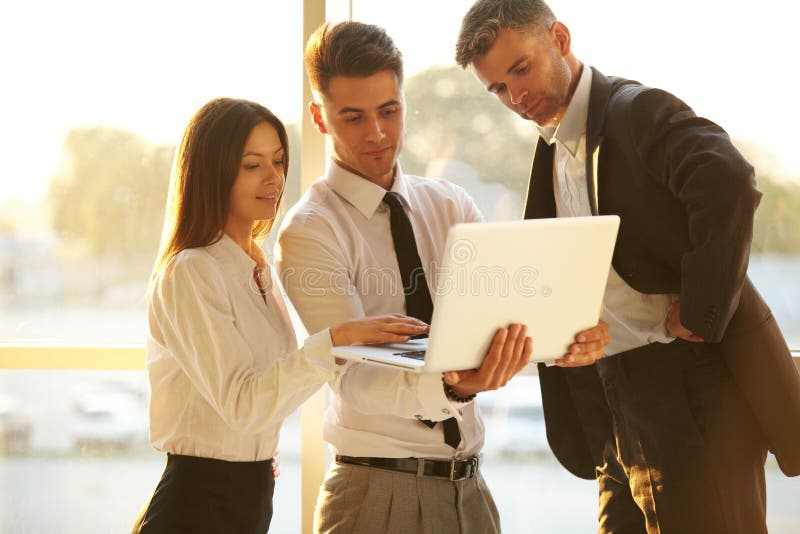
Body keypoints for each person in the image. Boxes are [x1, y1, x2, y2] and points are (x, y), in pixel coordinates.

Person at [455, 1, 800, 532]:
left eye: (520, 69)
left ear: (561, 39)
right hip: (616, 401)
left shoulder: (634, 109)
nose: (515, 96)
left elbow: (727, 177)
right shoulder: (553, 151)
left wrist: (701, 305)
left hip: (690, 391)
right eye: (498, 88)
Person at [275, 21, 610, 533]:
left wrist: (566, 337)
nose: (378, 133)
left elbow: (506, 321)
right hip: (374, 498)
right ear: (320, 118)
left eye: (389, 111)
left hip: (470, 493)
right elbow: (355, 379)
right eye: (353, 118)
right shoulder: (309, 231)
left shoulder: (450, 204)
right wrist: (454, 387)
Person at [132, 97, 429, 533]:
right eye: (252, 165)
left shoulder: (254, 266)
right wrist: (338, 340)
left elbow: (268, 393)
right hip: (197, 505)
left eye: (278, 161)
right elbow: (244, 406)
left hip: (248, 497)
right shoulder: (191, 271)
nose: (274, 178)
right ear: (213, 172)